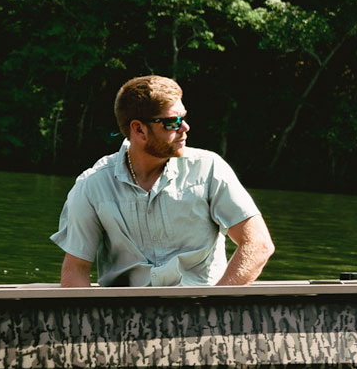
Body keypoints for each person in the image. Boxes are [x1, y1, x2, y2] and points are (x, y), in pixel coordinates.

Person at [52, 75, 274, 287]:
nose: (184, 128)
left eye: (183, 118)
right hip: (124, 313)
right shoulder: (92, 185)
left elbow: (257, 244)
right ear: (139, 129)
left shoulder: (209, 169)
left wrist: (213, 306)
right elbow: (76, 270)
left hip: (202, 306)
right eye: (172, 122)